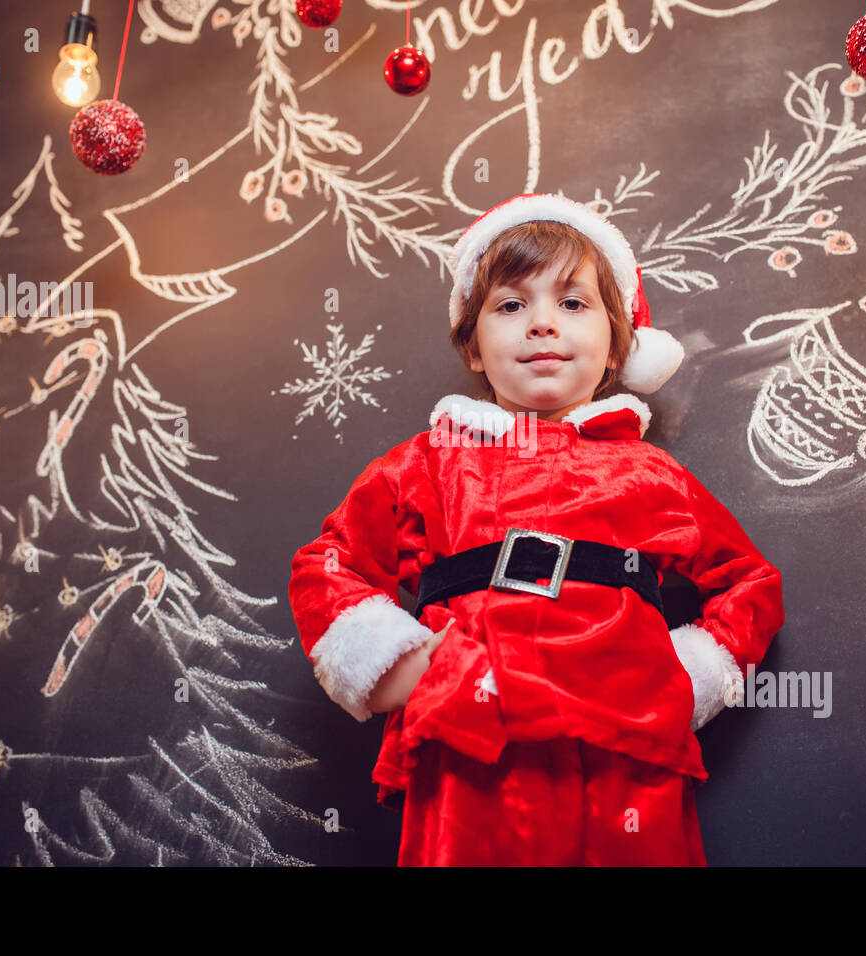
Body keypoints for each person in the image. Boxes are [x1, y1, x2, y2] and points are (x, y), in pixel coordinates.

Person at [288, 193, 785, 865]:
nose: (543, 324)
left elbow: (749, 584)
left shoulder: (653, 474)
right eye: (512, 305)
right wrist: (401, 666)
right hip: (470, 742)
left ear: (617, 346)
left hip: (630, 750)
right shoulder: (428, 464)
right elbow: (329, 562)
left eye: (573, 304)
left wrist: (686, 677)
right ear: (472, 344)